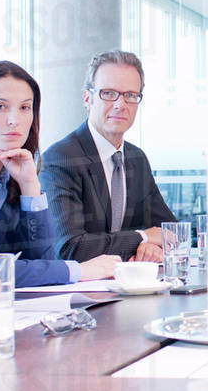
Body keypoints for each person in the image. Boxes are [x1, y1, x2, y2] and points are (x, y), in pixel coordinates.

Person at [0, 61, 121, 286]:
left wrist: (30, 187)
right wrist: (77, 271)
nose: (14, 120)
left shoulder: (15, 175)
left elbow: (42, 259)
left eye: (25, 108)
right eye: (0, 106)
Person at [40, 50, 175, 263]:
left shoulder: (136, 158)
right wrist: (143, 237)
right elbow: (69, 248)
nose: (120, 105)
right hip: (78, 293)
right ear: (88, 98)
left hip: (128, 286)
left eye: (130, 95)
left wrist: (149, 247)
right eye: (109, 93)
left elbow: (169, 231)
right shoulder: (61, 159)